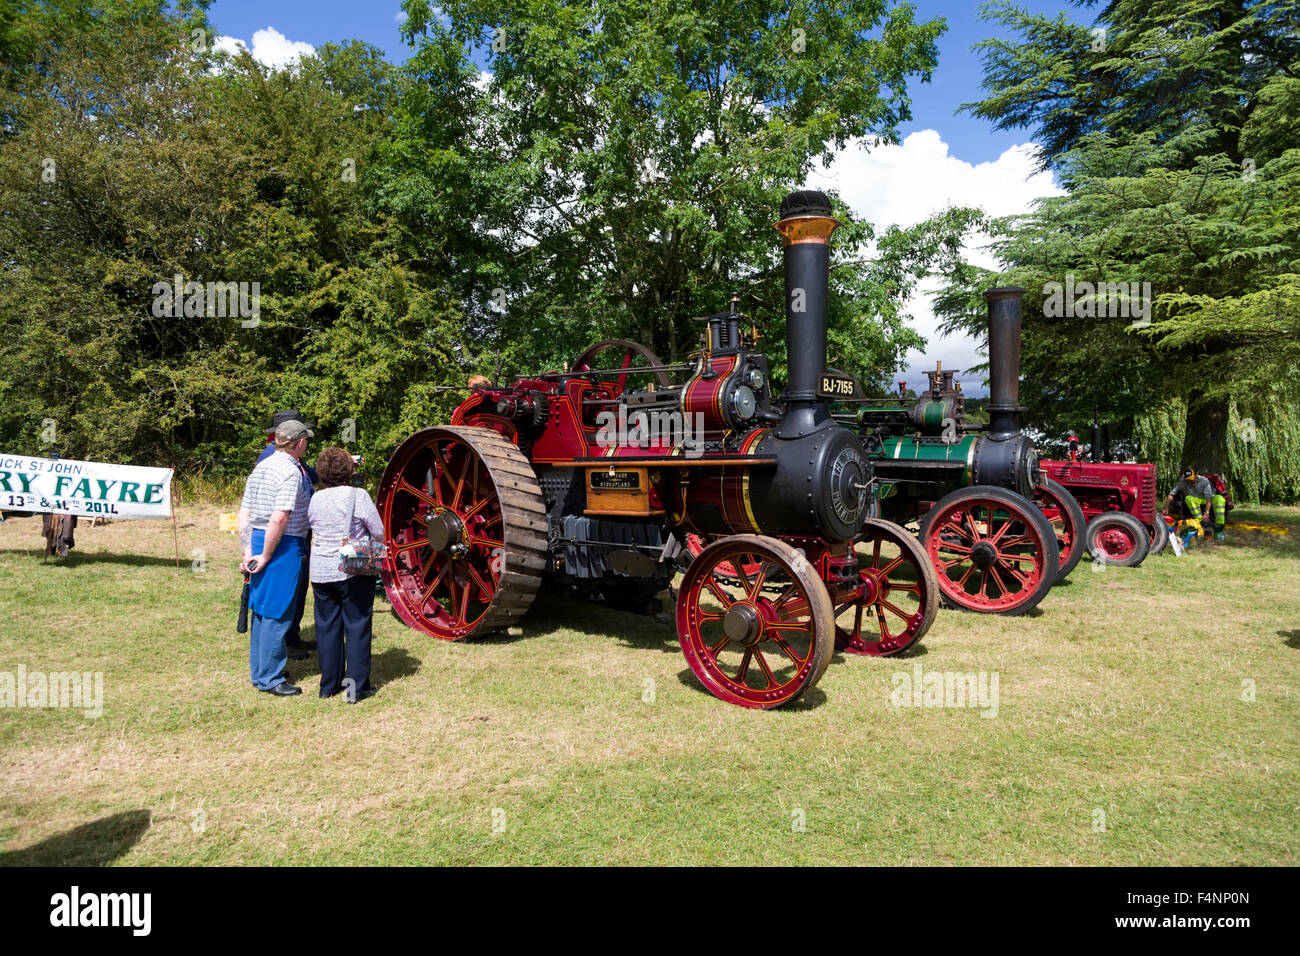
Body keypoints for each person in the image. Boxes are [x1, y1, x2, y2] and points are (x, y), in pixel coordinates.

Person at [237, 419, 314, 696]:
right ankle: (270, 677)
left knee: (261, 610)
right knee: (278, 612)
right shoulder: (291, 473)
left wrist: (249, 551)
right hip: (282, 544)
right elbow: (280, 517)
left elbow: (244, 513)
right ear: (300, 443)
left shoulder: (262, 467)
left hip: (258, 539)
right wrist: (267, 555)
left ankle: (261, 672)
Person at [307, 447, 384, 703]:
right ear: (348, 470)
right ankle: (356, 688)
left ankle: (329, 685)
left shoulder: (316, 498)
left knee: (327, 628)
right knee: (357, 626)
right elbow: (378, 530)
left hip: (320, 570)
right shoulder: (357, 495)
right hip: (352, 569)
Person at [258, 410, 318, 658]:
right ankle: (282, 645)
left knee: (298, 587)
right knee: (285, 591)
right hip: (286, 536)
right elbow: (278, 511)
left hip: (296, 534)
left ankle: (291, 637)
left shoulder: (291, 458)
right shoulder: (274, 458)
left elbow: (310, 475)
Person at [1163, 466, 1227, 542]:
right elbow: (1172, 494)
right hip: (1194, 500)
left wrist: (1206, 513)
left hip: (1205, 499)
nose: (1189, 481)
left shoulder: (1204, 481)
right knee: (1188, 498)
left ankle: (1219, 530)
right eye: (1188, 479)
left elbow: (1209, 499)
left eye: (1191, 479)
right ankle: (1201, 522)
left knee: (1220, 499)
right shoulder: (1183, 481)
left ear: (1196, 475)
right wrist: (1166, 507)